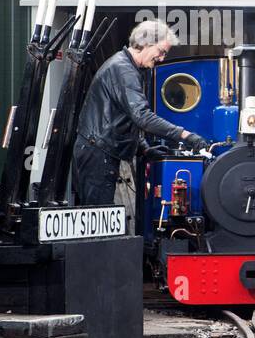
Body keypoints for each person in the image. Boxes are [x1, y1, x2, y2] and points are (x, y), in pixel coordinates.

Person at [74, 20, 207, 206]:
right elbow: (142, 117)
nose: (161, 58)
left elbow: (125, 116)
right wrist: (185, 135)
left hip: (99, 149)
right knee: (97, 215)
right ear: (146, 43)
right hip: (98, 152)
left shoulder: (128, 68)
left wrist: (144, 148)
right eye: (161, 52)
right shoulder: (124, 70)